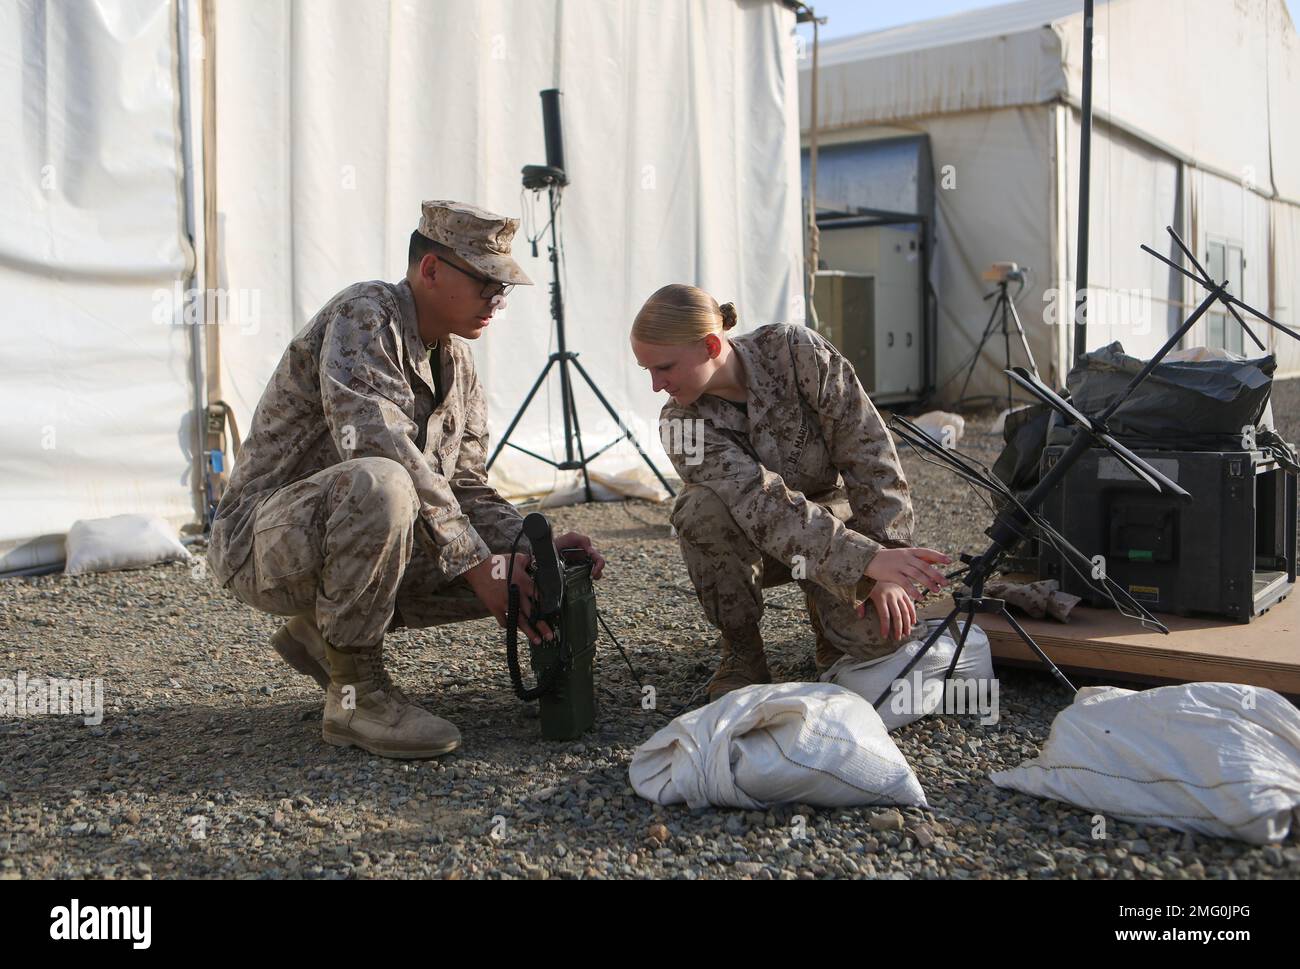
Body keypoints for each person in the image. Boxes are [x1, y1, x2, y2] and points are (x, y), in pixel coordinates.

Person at [208, 200, 605, 759]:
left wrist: (522, 546)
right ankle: (355, 696)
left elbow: (465, 486)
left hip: (338, 537)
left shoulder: (457, 363)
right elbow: (377, 443)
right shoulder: (365, 315)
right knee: (383, 485)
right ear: (432, 269)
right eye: (484, 282)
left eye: (503, 288)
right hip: (260, 542)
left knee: (529, 566)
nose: (496, 300)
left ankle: (324, 636)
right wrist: (475, 561)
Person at [630, 284, 948, 701]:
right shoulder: (681, 423)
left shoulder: (795, 352)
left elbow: (869, 454)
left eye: (664, 368)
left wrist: (887, 557)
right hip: (757, 539)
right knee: (698, 510)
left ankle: (828, 625)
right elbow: (761, 505)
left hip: (838, 523)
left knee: (882, 639)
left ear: (710, 344)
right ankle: (743, 653)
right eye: (647, 371)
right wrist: (866, 562)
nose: (655, 385)